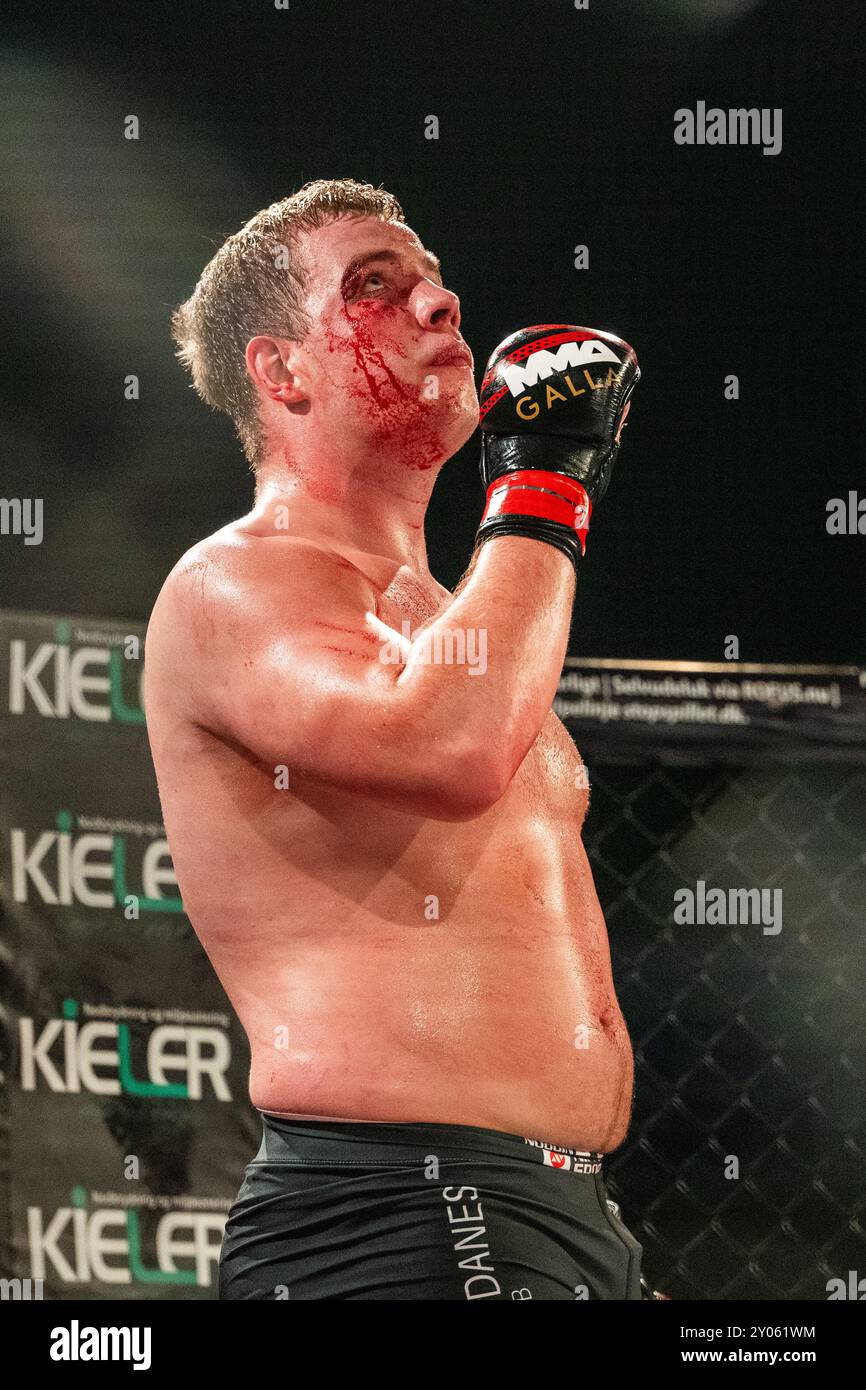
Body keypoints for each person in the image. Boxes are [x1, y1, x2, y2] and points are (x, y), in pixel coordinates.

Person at [145, 178, 643, 1299]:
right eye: (375, 285)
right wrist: (545, 481)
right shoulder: (236, 585)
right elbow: (450, 749)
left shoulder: (447, 612)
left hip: (560, 1215)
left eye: (433, 280)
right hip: (399, 1214)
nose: (441, 302)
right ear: (281, 371)